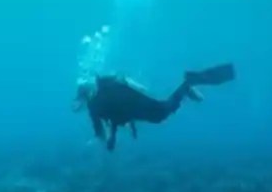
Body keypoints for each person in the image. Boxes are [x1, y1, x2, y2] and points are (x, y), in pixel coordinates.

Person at [73, 63, 236, 151]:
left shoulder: (95, 106)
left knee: (161, 113)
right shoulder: (98, 102)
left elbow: (104, 129)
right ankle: (186, 86)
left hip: (135, 103)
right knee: (161, 113)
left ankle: (187, 84)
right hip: (134, 103)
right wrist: (111, 139)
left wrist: (107, 140)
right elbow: (113, 119)